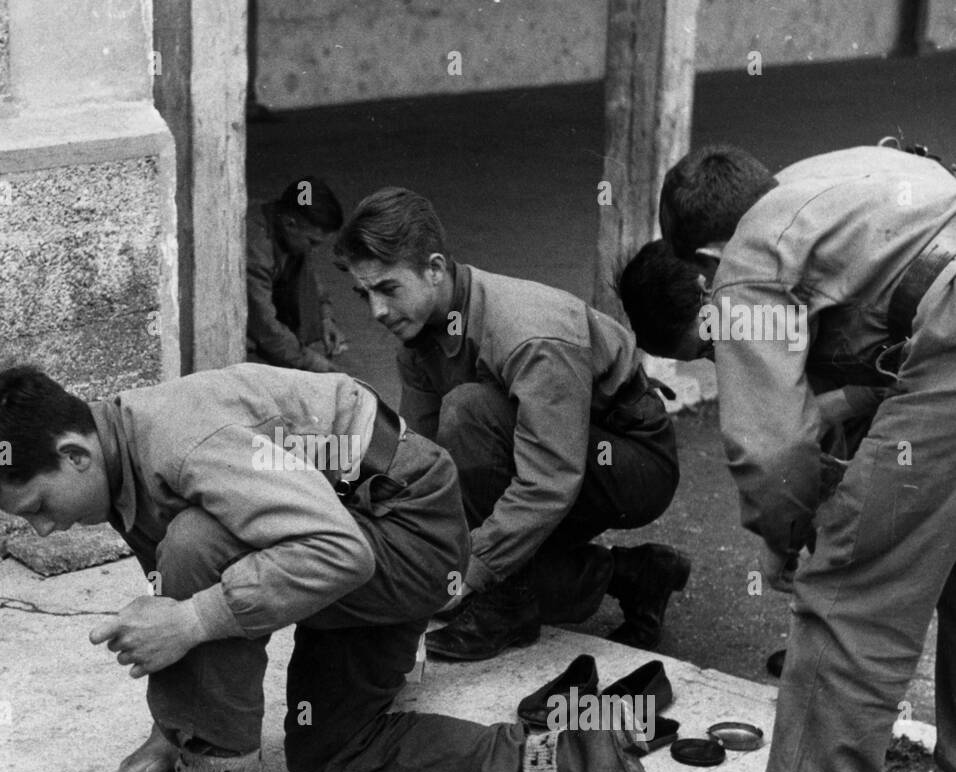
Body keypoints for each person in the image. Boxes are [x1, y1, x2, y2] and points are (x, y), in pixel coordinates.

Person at [0, 363, 679, 772]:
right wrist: (174, 729)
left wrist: (193, 620)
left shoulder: (180, 441)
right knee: (334, 753)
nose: (42, 526)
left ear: (75, 453)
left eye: (38, 504)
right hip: (360, 524)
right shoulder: (117, 452)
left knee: (200, 541)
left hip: (404, 529)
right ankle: (571, 760)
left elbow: (338, 552)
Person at [656, 142, 956, 772]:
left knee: (851, 585)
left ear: (700, 260)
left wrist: (793, 537)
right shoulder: (842, 178)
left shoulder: (749, 258)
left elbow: (770, 447)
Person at [333, 188, 690, 662]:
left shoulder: (528, 333)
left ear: (435, 269)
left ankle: (507, 609)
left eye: (388, 288)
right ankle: (636, 574)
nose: (375, 311)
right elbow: (419, 459)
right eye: (364, 293)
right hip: (554, 451)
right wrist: (375, 532)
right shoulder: (417, 340)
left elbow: (548, 483)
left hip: (631, 459)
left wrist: (469, 570)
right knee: (455, 542)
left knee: (470, 418)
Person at [618, 239, 892, 676]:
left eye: (708, 346)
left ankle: (848, 668)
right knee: (822, 499)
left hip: (913, 391)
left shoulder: (783, 298)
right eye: (704, 356)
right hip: (858, 396)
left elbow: (800, 426)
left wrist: (779, 541)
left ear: (706, 284)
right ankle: (830, 649)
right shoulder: (740, 305)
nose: (716, 358)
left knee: (866, 542)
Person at [246, 176, 349, 372]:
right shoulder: (257, 250)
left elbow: (310, 279)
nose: (314, 250)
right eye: (313, 242)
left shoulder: (285, 226)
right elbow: (264, 325)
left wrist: (325, 319)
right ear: (290, 224)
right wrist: (311, 362)